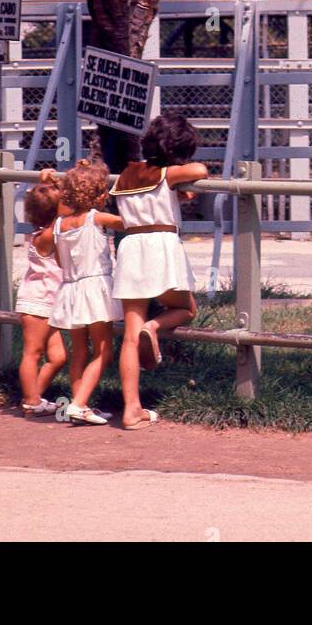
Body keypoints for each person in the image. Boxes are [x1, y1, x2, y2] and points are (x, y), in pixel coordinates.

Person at [111, 112, 209, 430]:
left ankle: (130, 409)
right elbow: (201, 170)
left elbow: (145, 195)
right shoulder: (169, 174)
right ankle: (153, 328)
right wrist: (179, 180)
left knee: (128, 336)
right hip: (161, 246)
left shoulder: (126, 173)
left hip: (130, 248)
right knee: (185, 308)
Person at [39, 161, 122, 426]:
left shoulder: (59, 224)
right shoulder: (96, 218)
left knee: (79, 351)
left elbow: (61, 262)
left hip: (71, 288)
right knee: (103, 350)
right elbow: (127, 223)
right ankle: (79, 403)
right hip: (95, 289)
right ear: (100, 195)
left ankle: (81, 404)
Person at [14, 181, 67, 417]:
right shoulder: (47, 236)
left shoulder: (49, 232)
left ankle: (33, 397)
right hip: (37, 302)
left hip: (49, 303)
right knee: (32, 353)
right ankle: (31, 400)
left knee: (58, 357)